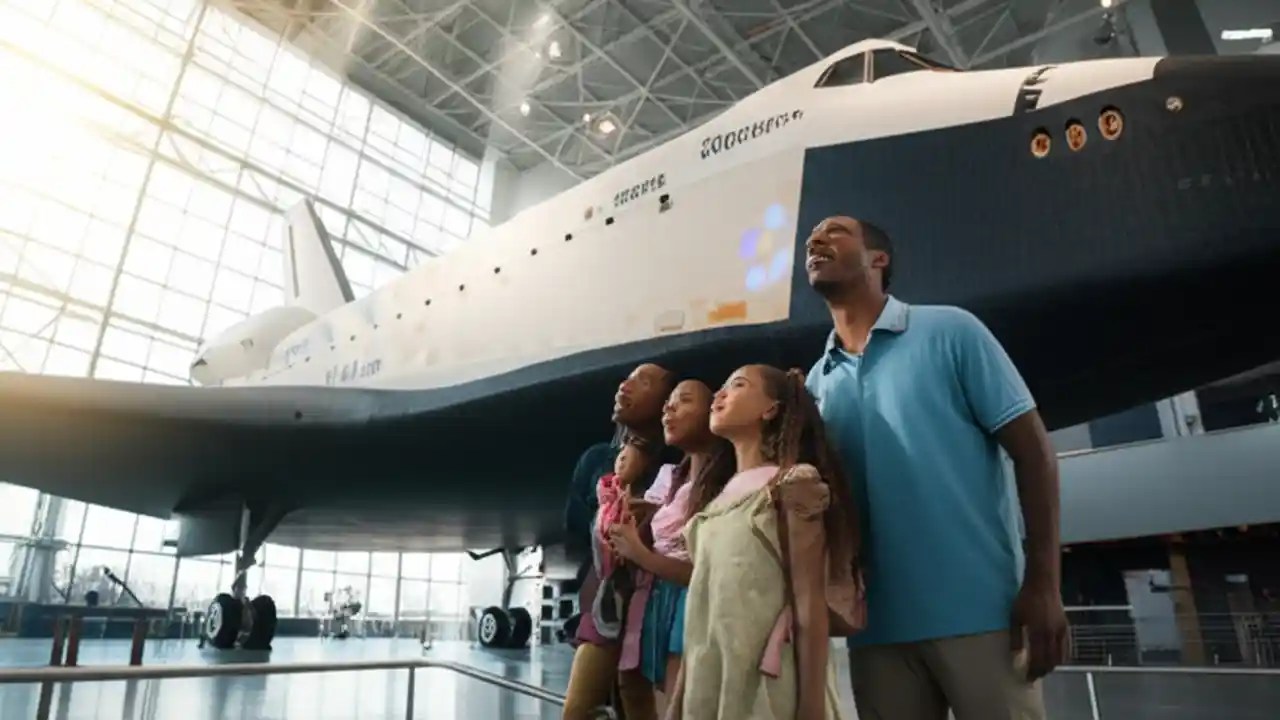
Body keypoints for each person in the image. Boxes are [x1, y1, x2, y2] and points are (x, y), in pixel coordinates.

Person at [802, 215, 1067, 719]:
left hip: (984, 617)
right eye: (811, 238)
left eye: (834, 232)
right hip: (873, 632)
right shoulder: (817, 381)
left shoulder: (951, 330)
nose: (815, 241)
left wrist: (1044, 585)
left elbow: (1034, 454)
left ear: (879, 260)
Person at [671, 364, 857, 720]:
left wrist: (812, 706)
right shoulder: (713, 504)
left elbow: (808, 603)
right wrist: (678, 703)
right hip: (712, 687)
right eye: (721, 387)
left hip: (768, 690)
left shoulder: (792, 485)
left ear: (770, 409)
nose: (720, 395)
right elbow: (699, 617)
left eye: (737, 385)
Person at [607, 379, 736, 713]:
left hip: (691, 609)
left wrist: (639, 552)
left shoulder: (724, 486)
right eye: (668, 402)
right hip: (660, 603)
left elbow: (704, 573)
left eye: (684, 400)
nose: (669, 408)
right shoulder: (673, 479)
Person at [563, 363, 677, 720]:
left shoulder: (676, 464)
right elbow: (576, 526)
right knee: (577, 708)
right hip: (605, 606)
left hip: (656, 607)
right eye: (626, 378)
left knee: (641, 705)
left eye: (644, 382)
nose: (625, 385)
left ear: (665, 403)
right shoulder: (596, 460)